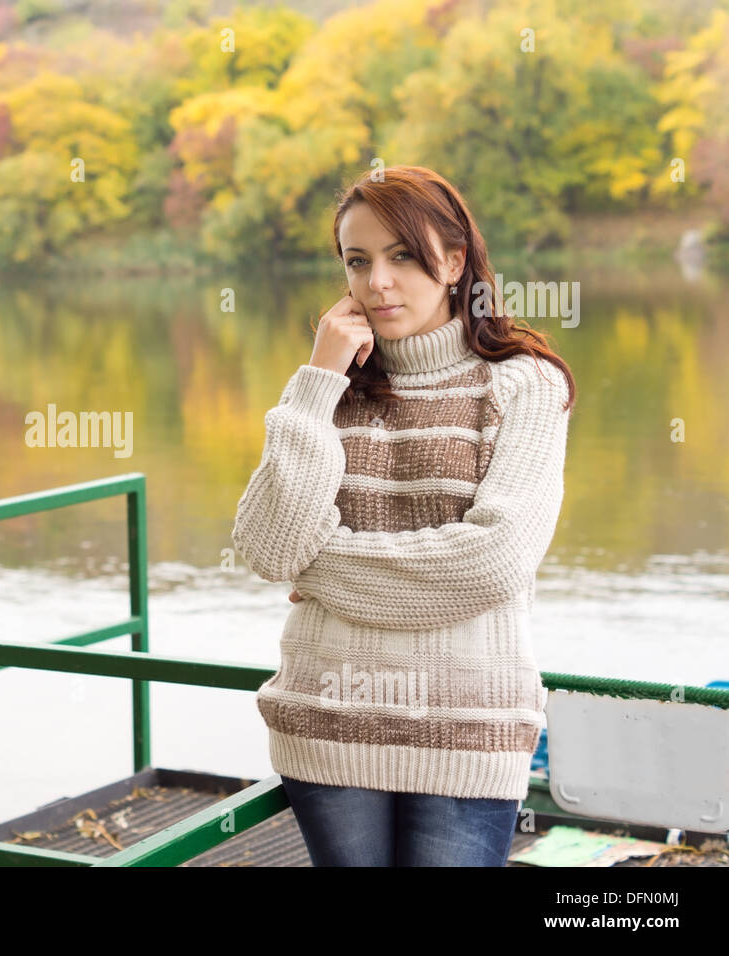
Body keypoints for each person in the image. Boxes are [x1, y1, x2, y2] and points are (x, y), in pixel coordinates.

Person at [231, 165, 576, 866]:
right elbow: (267, 548)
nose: (377, 283)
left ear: (453, 262)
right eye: (357, 262)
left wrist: (319, 566)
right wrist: (318, 379)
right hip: (327, 718)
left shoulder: (524, 383)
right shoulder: (329, 391)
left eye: (401, 257)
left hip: (469, 726)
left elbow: (492, 562)